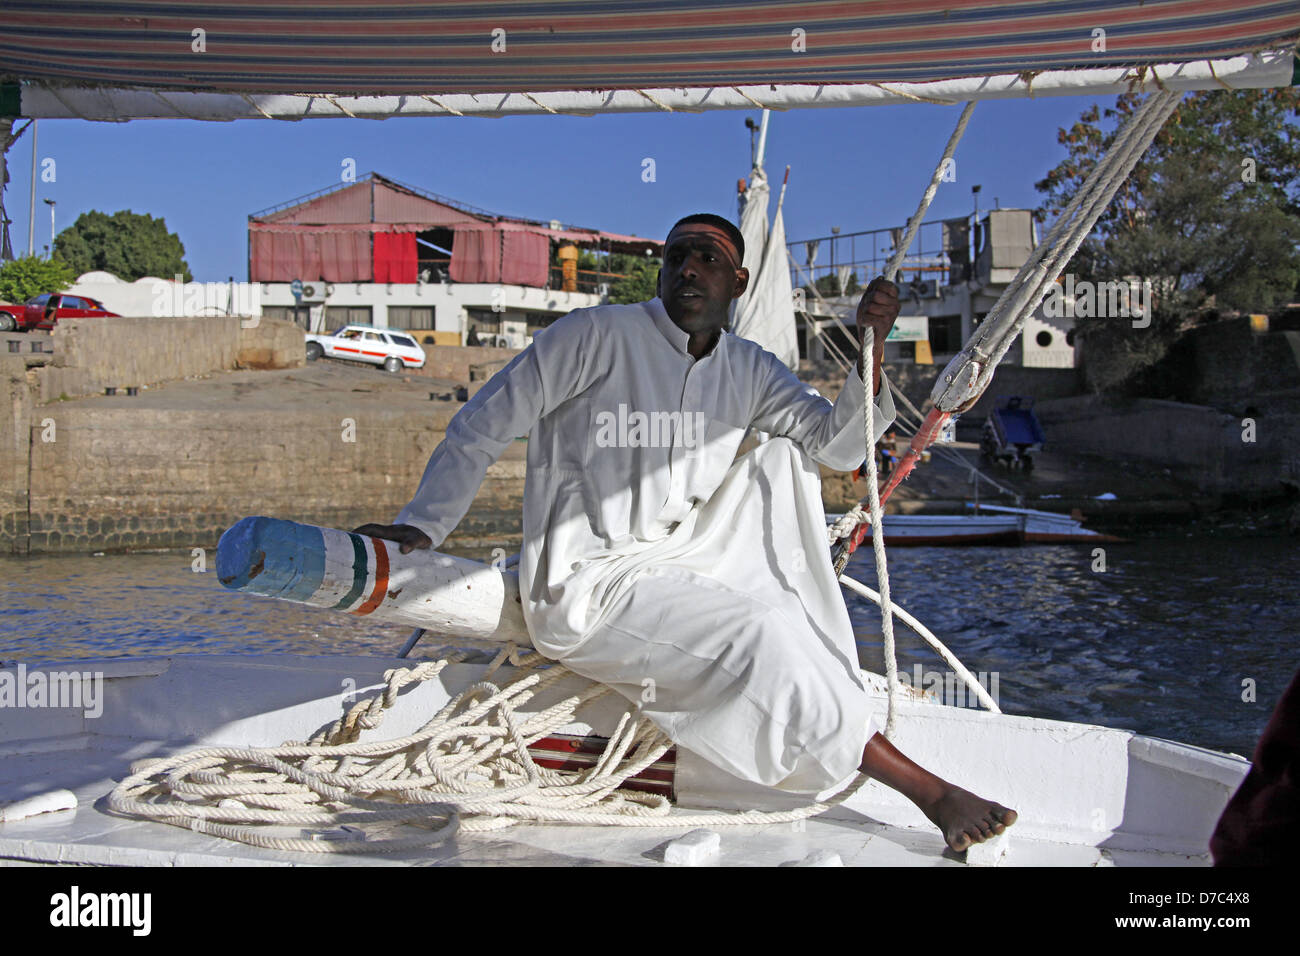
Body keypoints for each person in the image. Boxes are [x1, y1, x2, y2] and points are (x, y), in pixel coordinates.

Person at [355, 213, 1015, 852]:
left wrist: (868, 349)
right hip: (586, 586)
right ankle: (930, 793)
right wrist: (423, 524)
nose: (688, 270)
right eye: (677, 257)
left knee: (782, 452)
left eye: (708, 259)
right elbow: (486, 423)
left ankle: (797, 652)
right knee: (761, 638)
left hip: (681, 561)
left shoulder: (748, 369)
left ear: (740, 282)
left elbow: (840, 448)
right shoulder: (593, 336)